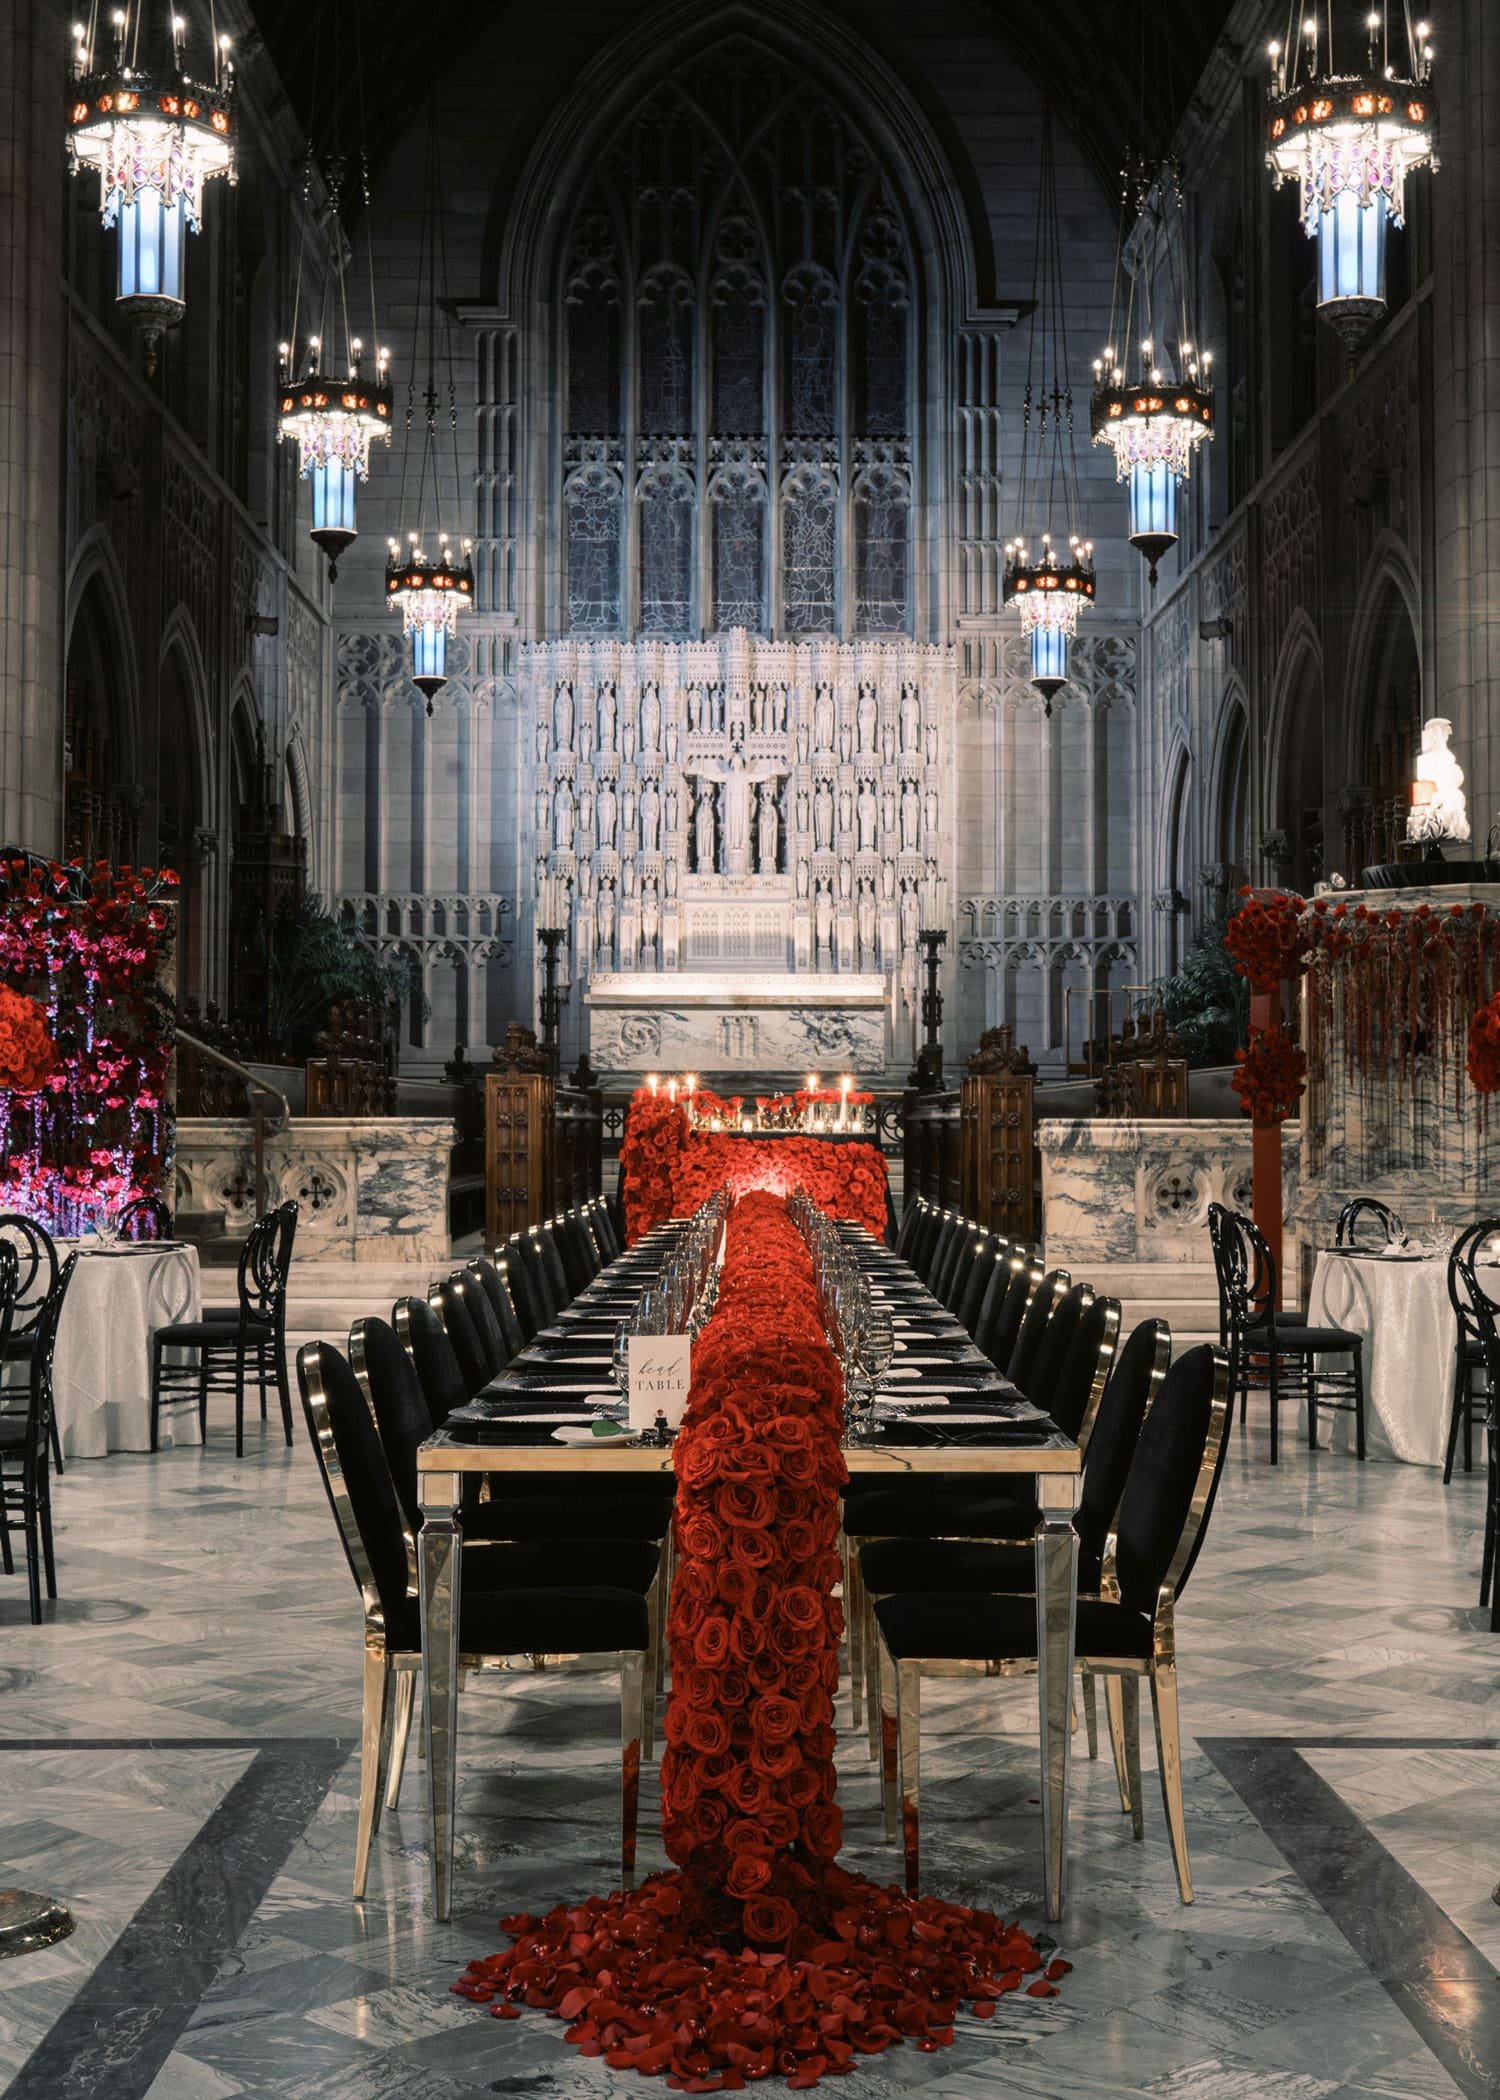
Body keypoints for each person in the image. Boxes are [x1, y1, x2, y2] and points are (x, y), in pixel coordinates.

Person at [1407, 717, 1472, 843]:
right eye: (1439, 732)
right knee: (1429, 807)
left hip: (1447, 801)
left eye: (1444, 732)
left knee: (1454, 799)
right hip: (1432, 804)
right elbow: (1427, 781)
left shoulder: (1447, 756)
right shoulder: (1426, 760)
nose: (1444, 736)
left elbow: (1455, 778)